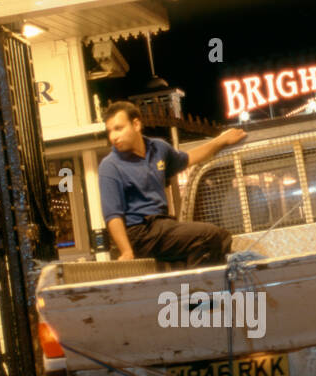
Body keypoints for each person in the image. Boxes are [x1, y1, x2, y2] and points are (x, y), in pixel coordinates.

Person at [99, 101, 246, 267]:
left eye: (118, 128)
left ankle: (194, 288)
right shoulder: (110, 166)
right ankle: (203, 290)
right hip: (140, 234)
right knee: (212, 236)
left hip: (162, 227)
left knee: (212, 245)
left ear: (136, 124)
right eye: (109, 131)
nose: (113, 137)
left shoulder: (159, 148)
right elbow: (112, 216)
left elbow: (189, 158)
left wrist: (222, 140)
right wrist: (126, 252)